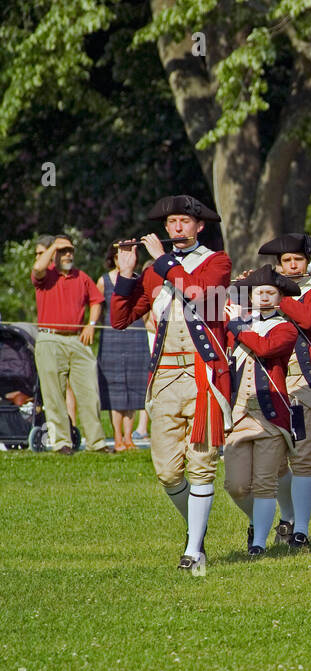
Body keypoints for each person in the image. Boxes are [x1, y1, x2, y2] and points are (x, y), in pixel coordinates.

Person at [110, 194, 232, 571]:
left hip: (203, 375)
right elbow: (120, 319)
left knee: (201, 464)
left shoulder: (218, 261)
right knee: (167, 472)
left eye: (183, 223)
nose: (176, 229)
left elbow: (199, 296)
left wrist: (162, 260)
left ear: (199, 227)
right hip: (164, 377)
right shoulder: (154, 271)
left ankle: (194, 549)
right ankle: (197, 525)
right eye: (171, 223)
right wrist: (128, 273)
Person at [258, 233, 311, 548]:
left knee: (303, 458)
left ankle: (301, 529)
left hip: (305, 383)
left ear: (307, 261)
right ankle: (287, 517)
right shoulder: (262, 292)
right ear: (278, 264)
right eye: (286, 261)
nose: (292, 266)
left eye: (297, 260)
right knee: (274, 461)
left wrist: (277, 297)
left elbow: (310, 318)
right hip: (271, 382)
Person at [222, 267, 301, 556]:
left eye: (271, 292)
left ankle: (258, 544)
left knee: (266, 483)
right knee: (236, 486)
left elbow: (266, 349)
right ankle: (258, 521)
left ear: (280, 297)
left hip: (271, 416)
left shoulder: (286, 327)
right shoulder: (239, 323)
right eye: (260, 292)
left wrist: (239, 327)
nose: (265, 297)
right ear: (251, 296)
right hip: (238, 415)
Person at [31, 234, 111, 454]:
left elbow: (96, 301)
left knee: (89, 393)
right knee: (53, 394)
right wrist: (52, 248)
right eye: (62, 250)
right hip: (50, 339)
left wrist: (91, 324)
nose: (68, 254)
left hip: (76, 339)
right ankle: (61, 443)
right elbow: (38, 268)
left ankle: (97, 442)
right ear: (54, 254)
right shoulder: (45, 275)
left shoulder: (81, 277)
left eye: (70, 251)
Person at [96, 245, 150, 451]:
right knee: (115, 388)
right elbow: (97, 308)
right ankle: (117, 438)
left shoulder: (139, 280)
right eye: (120, 256)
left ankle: (129, 438)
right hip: (111, 336)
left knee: (134, 387)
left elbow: (145, 307)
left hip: (135, 335)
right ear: (114, 259)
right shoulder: (104, 281)